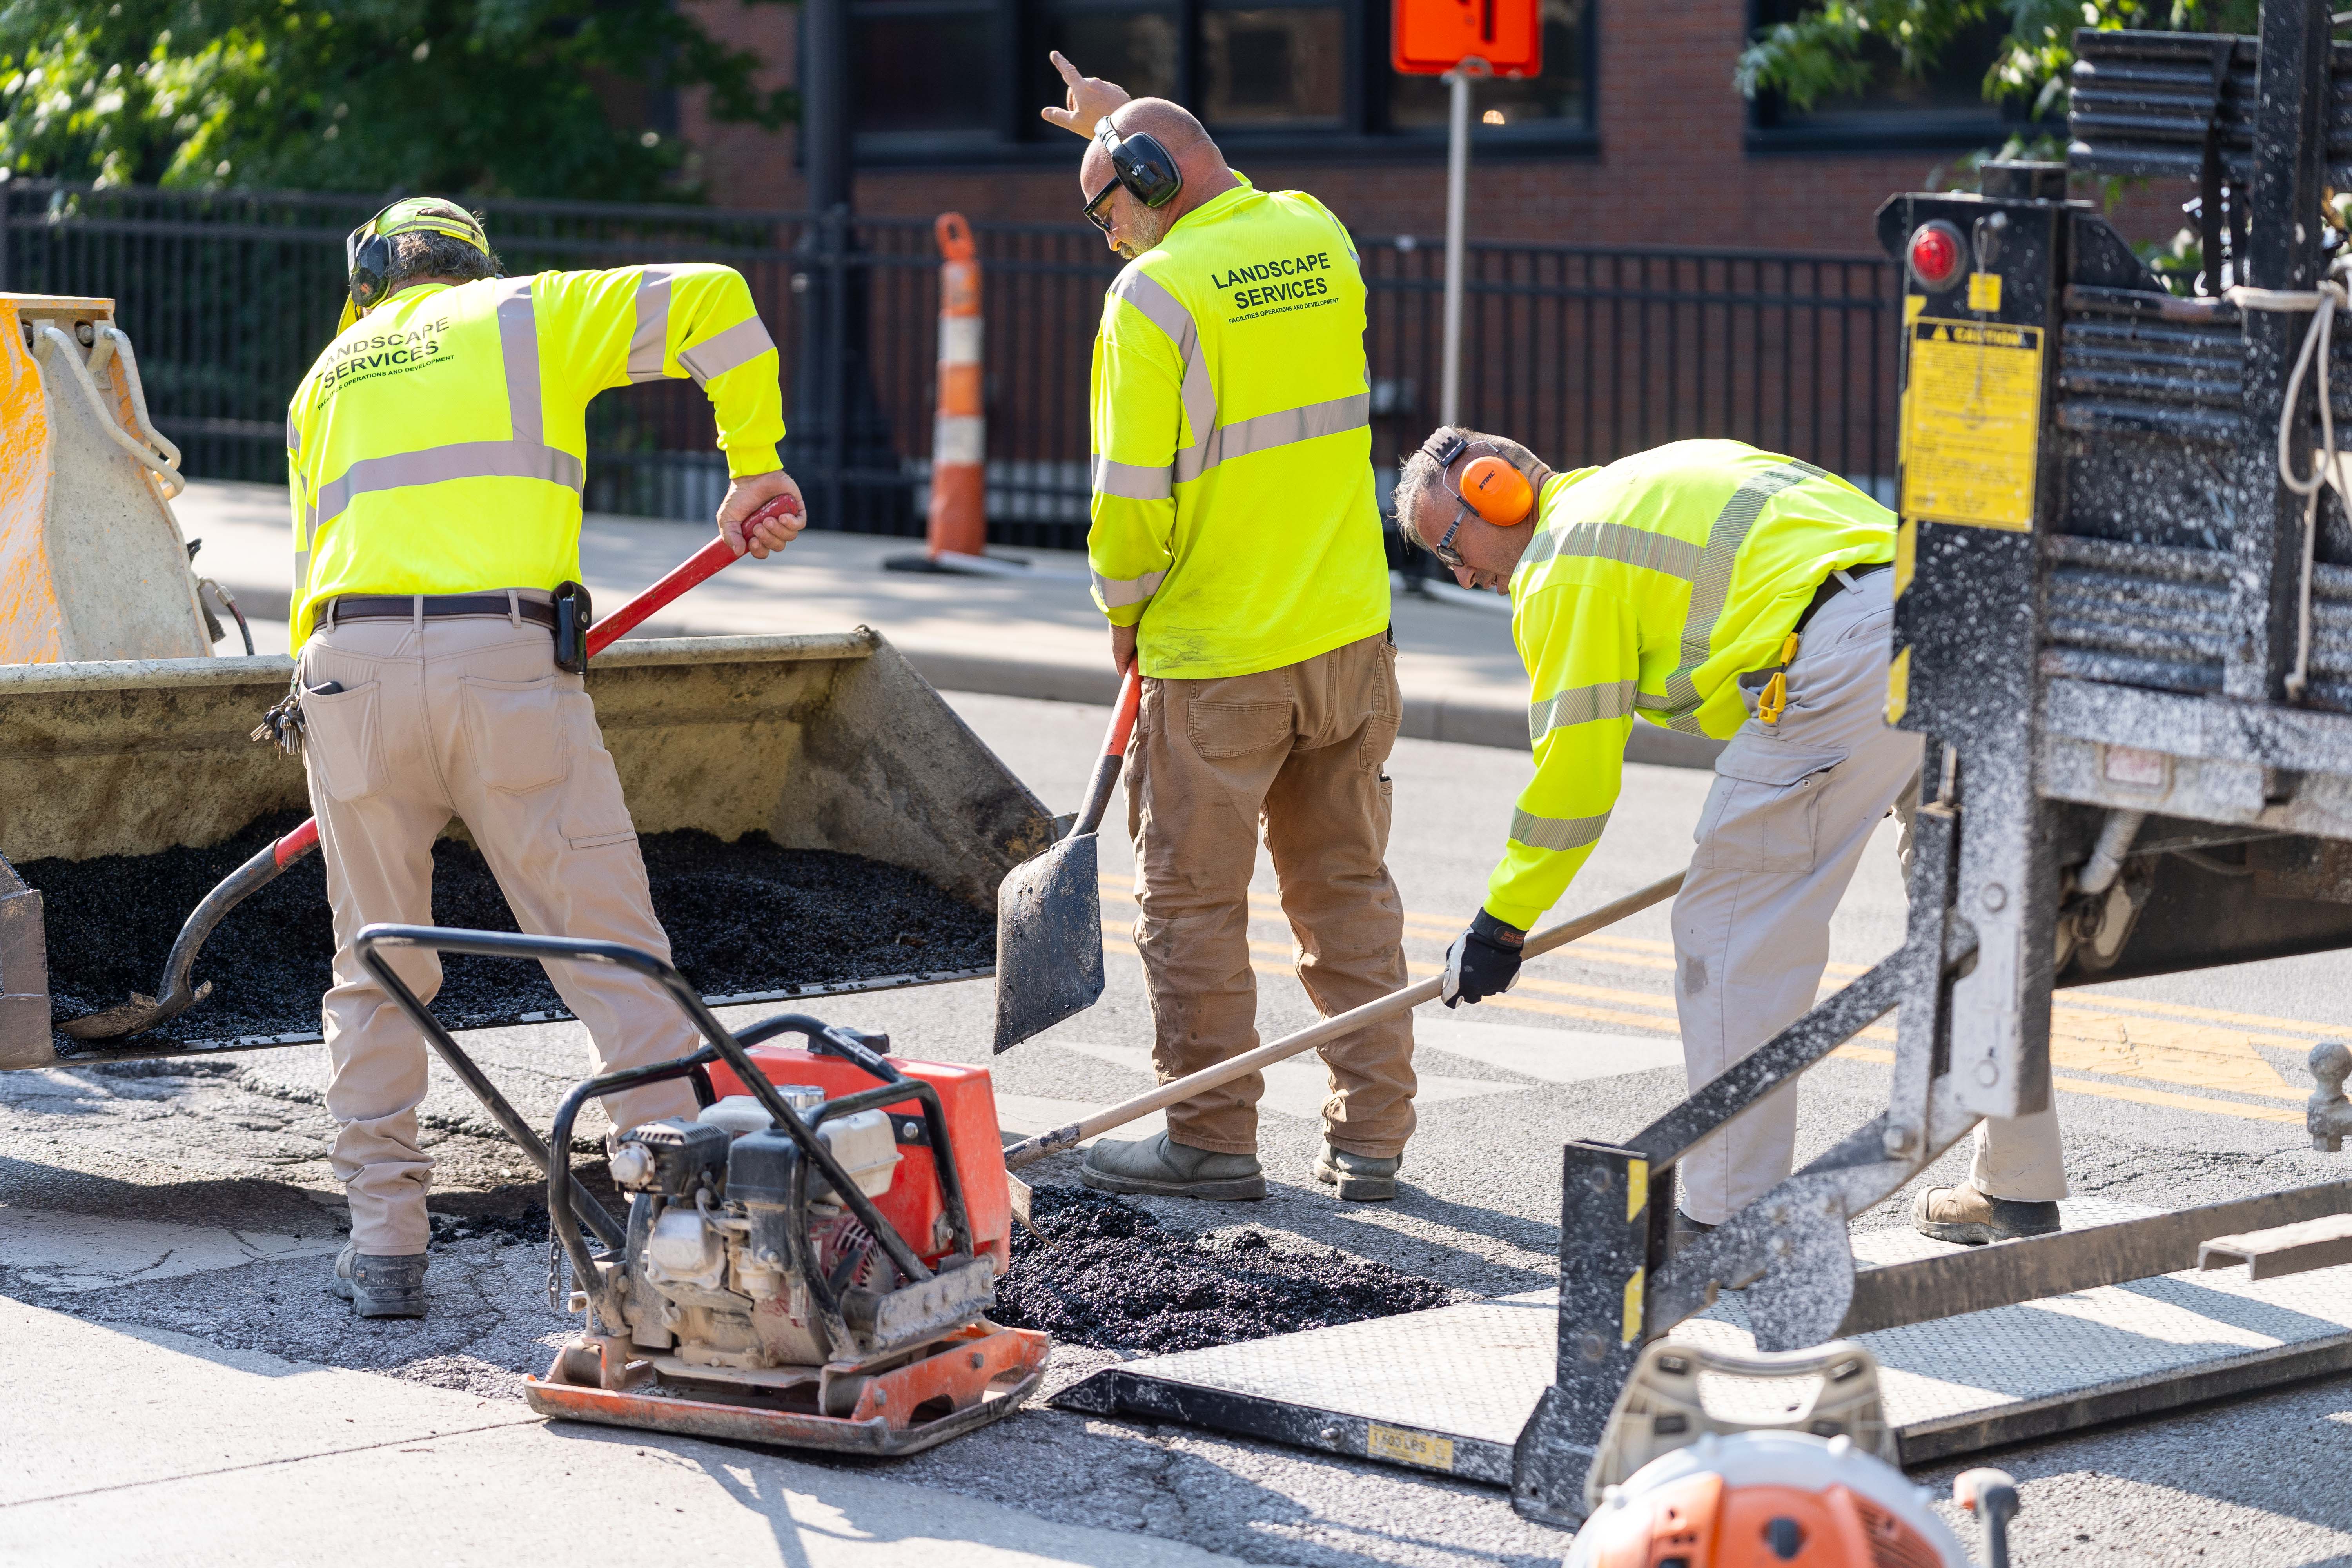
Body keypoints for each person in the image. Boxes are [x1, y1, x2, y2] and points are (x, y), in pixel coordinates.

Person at [283, 198, 806, 1316]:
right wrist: (754, 465)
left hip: (345, 677)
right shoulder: (525, 314)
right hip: (506, 667)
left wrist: (324, 718)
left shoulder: (323, 378)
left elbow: (309, 565)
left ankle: (385, 1245)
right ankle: (685, 1247)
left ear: (368, 278)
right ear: (475, 264)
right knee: (610, 951)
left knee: (376, 966)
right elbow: (718, 299)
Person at [1394, 430, 2065, 1245]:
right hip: (1958, 619)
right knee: (1973, 916)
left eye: (1450, 548)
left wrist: (1501, 923)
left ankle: (1725, 1218)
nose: (1462, 577)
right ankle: (2018, 1183)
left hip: (1843, 656)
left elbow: (1573, 779)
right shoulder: (1648, 480)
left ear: (1495, 492)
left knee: (1731, 934)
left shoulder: (1563, 560)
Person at [1040, 55, 1414, 1202]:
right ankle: (1371, 1138)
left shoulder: (1152, 297)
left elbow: (1128, 502)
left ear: (1151, 184)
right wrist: (1116, 131)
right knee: (1347, 890)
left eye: (1109, 213)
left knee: (1191, 906)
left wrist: (1123, 614)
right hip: (1348, 638)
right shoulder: (1317, 233)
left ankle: (1208, 1138)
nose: (1110, 239)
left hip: (1219, 657)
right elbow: (1195, 176)